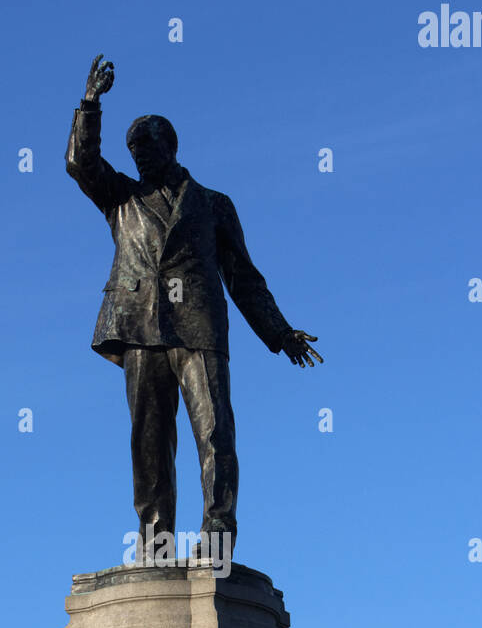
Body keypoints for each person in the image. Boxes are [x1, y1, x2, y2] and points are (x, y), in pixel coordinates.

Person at [66, 55, 322, 559]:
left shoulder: (213, 204)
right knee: (150, 444)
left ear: (171, 146)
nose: (139, 157)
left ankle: (216, 545)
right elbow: (81, 164)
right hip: (141, 327)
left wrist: (280, 332)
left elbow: (244, 277)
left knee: (215, 434)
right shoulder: (121, 198)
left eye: (147, 147)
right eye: (132, 149)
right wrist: (91, 104)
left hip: (199, 328)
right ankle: (155, 549)